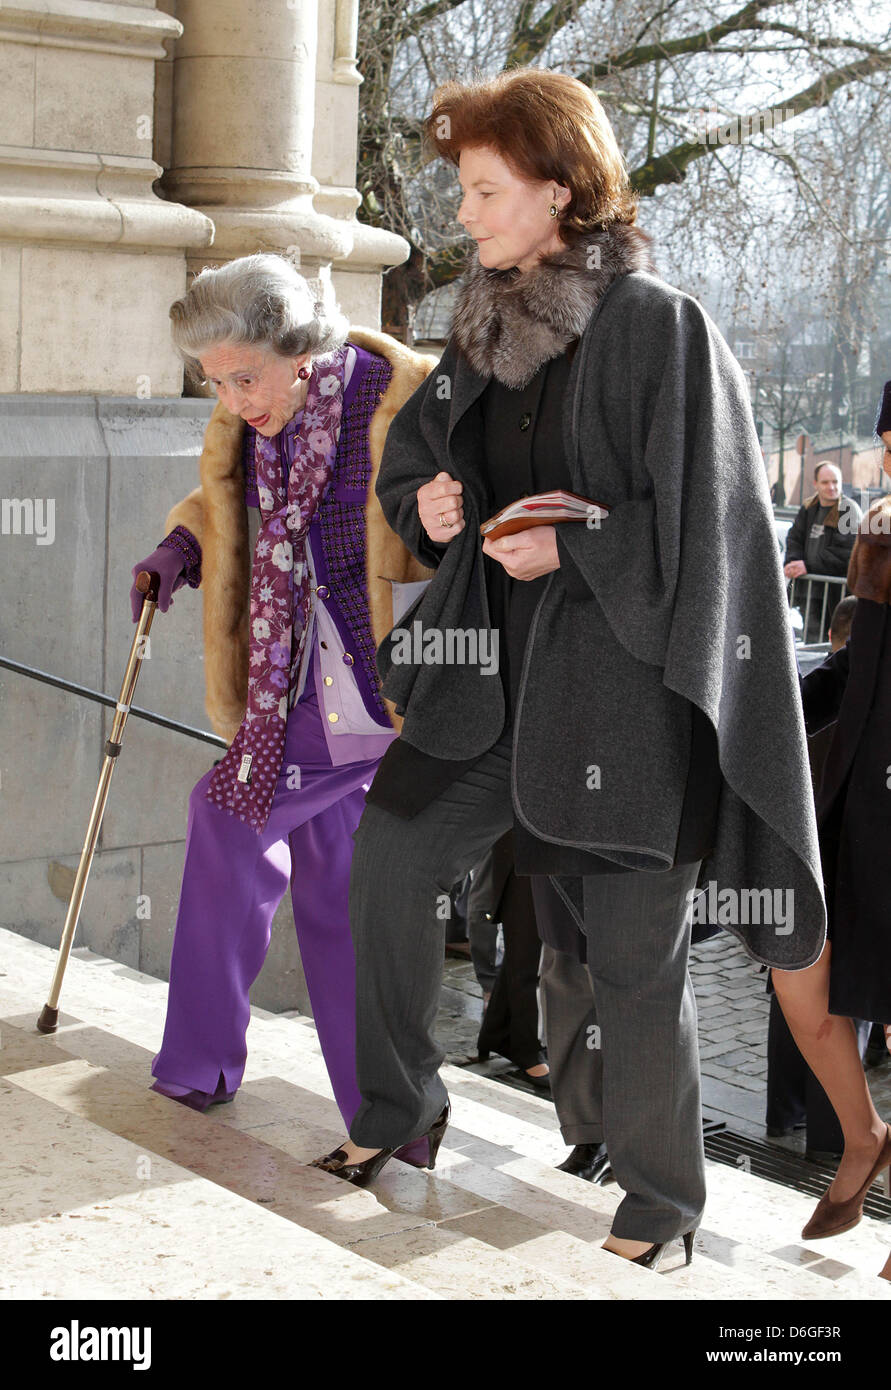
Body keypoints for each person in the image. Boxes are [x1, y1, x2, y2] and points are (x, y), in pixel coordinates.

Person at [311, 68, 826, 1270]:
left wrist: (579, 541)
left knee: (628, 957)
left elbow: (719, 522)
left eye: (487, 190)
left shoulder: (659, 323)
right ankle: (403, 1114)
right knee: (389, 858)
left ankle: (662, 1205)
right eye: (466, 191)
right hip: (481, 681)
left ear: (559, 188)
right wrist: (432, 503)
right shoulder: (482, 323)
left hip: (621, 697)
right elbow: (416, 462)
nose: (467, 214)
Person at [129, 254, 436, 1170]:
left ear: (300, 349)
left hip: (387, 686)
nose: (231, 399)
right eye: (213, 382)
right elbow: (225, 507)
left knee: (223, 813)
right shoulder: (250, 427)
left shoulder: (399, 401)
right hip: (299, 677)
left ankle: (199, 1063)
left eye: (245, 377)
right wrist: (179, 547)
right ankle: (394, 1116)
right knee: (337, 893)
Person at [772, 418, 891, 1279]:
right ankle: (863, 1136)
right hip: (850, 807)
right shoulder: (877, 535)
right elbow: (854, 672)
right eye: (890, 442)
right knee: (801, 984)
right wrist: (763, 705)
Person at [784, 463, 861, 641]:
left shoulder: (848, 509)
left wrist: (807, 565)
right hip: (809, 590)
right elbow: (794, 538)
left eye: (835, 482)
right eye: (825, 482)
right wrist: (793, 561)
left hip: (836, 594)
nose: (831, 487)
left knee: (834, 644)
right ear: (815, 483)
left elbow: (846, 551)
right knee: (812, 643)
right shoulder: (809, 507)